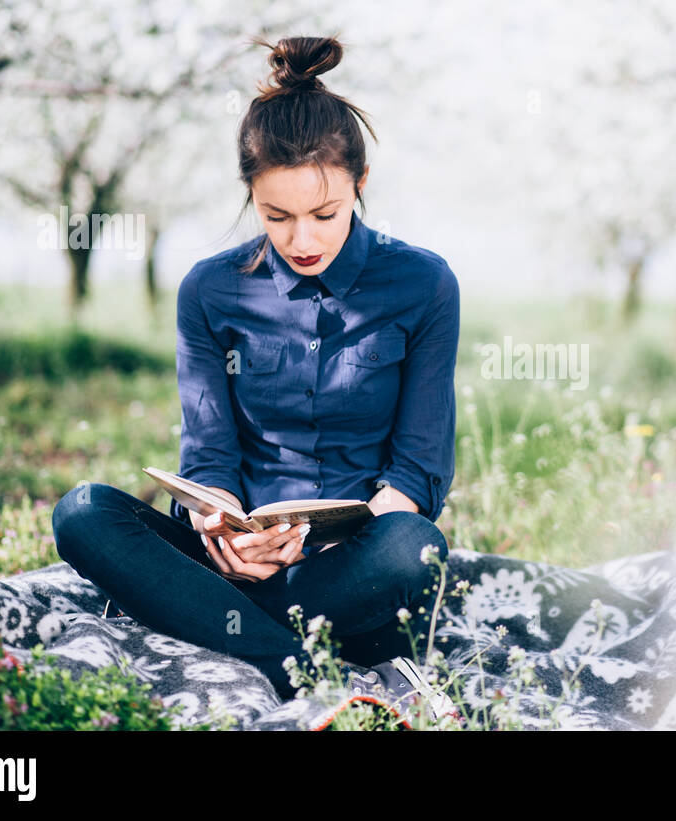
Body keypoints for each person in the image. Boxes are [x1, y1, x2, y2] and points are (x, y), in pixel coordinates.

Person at [52, 34, 459, 701]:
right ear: (251, 196)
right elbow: (207, 454)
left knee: (414, 547)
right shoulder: (211, 291)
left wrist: (317, 544)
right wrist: (219, 525)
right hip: (228, 563)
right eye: (278, 216)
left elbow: (415, 472)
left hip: (345, 573)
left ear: (360, 185)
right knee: (82, 512)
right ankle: (301, 665)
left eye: (324, 214)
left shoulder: (424, 285)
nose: (303, 239)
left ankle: (208, 622)